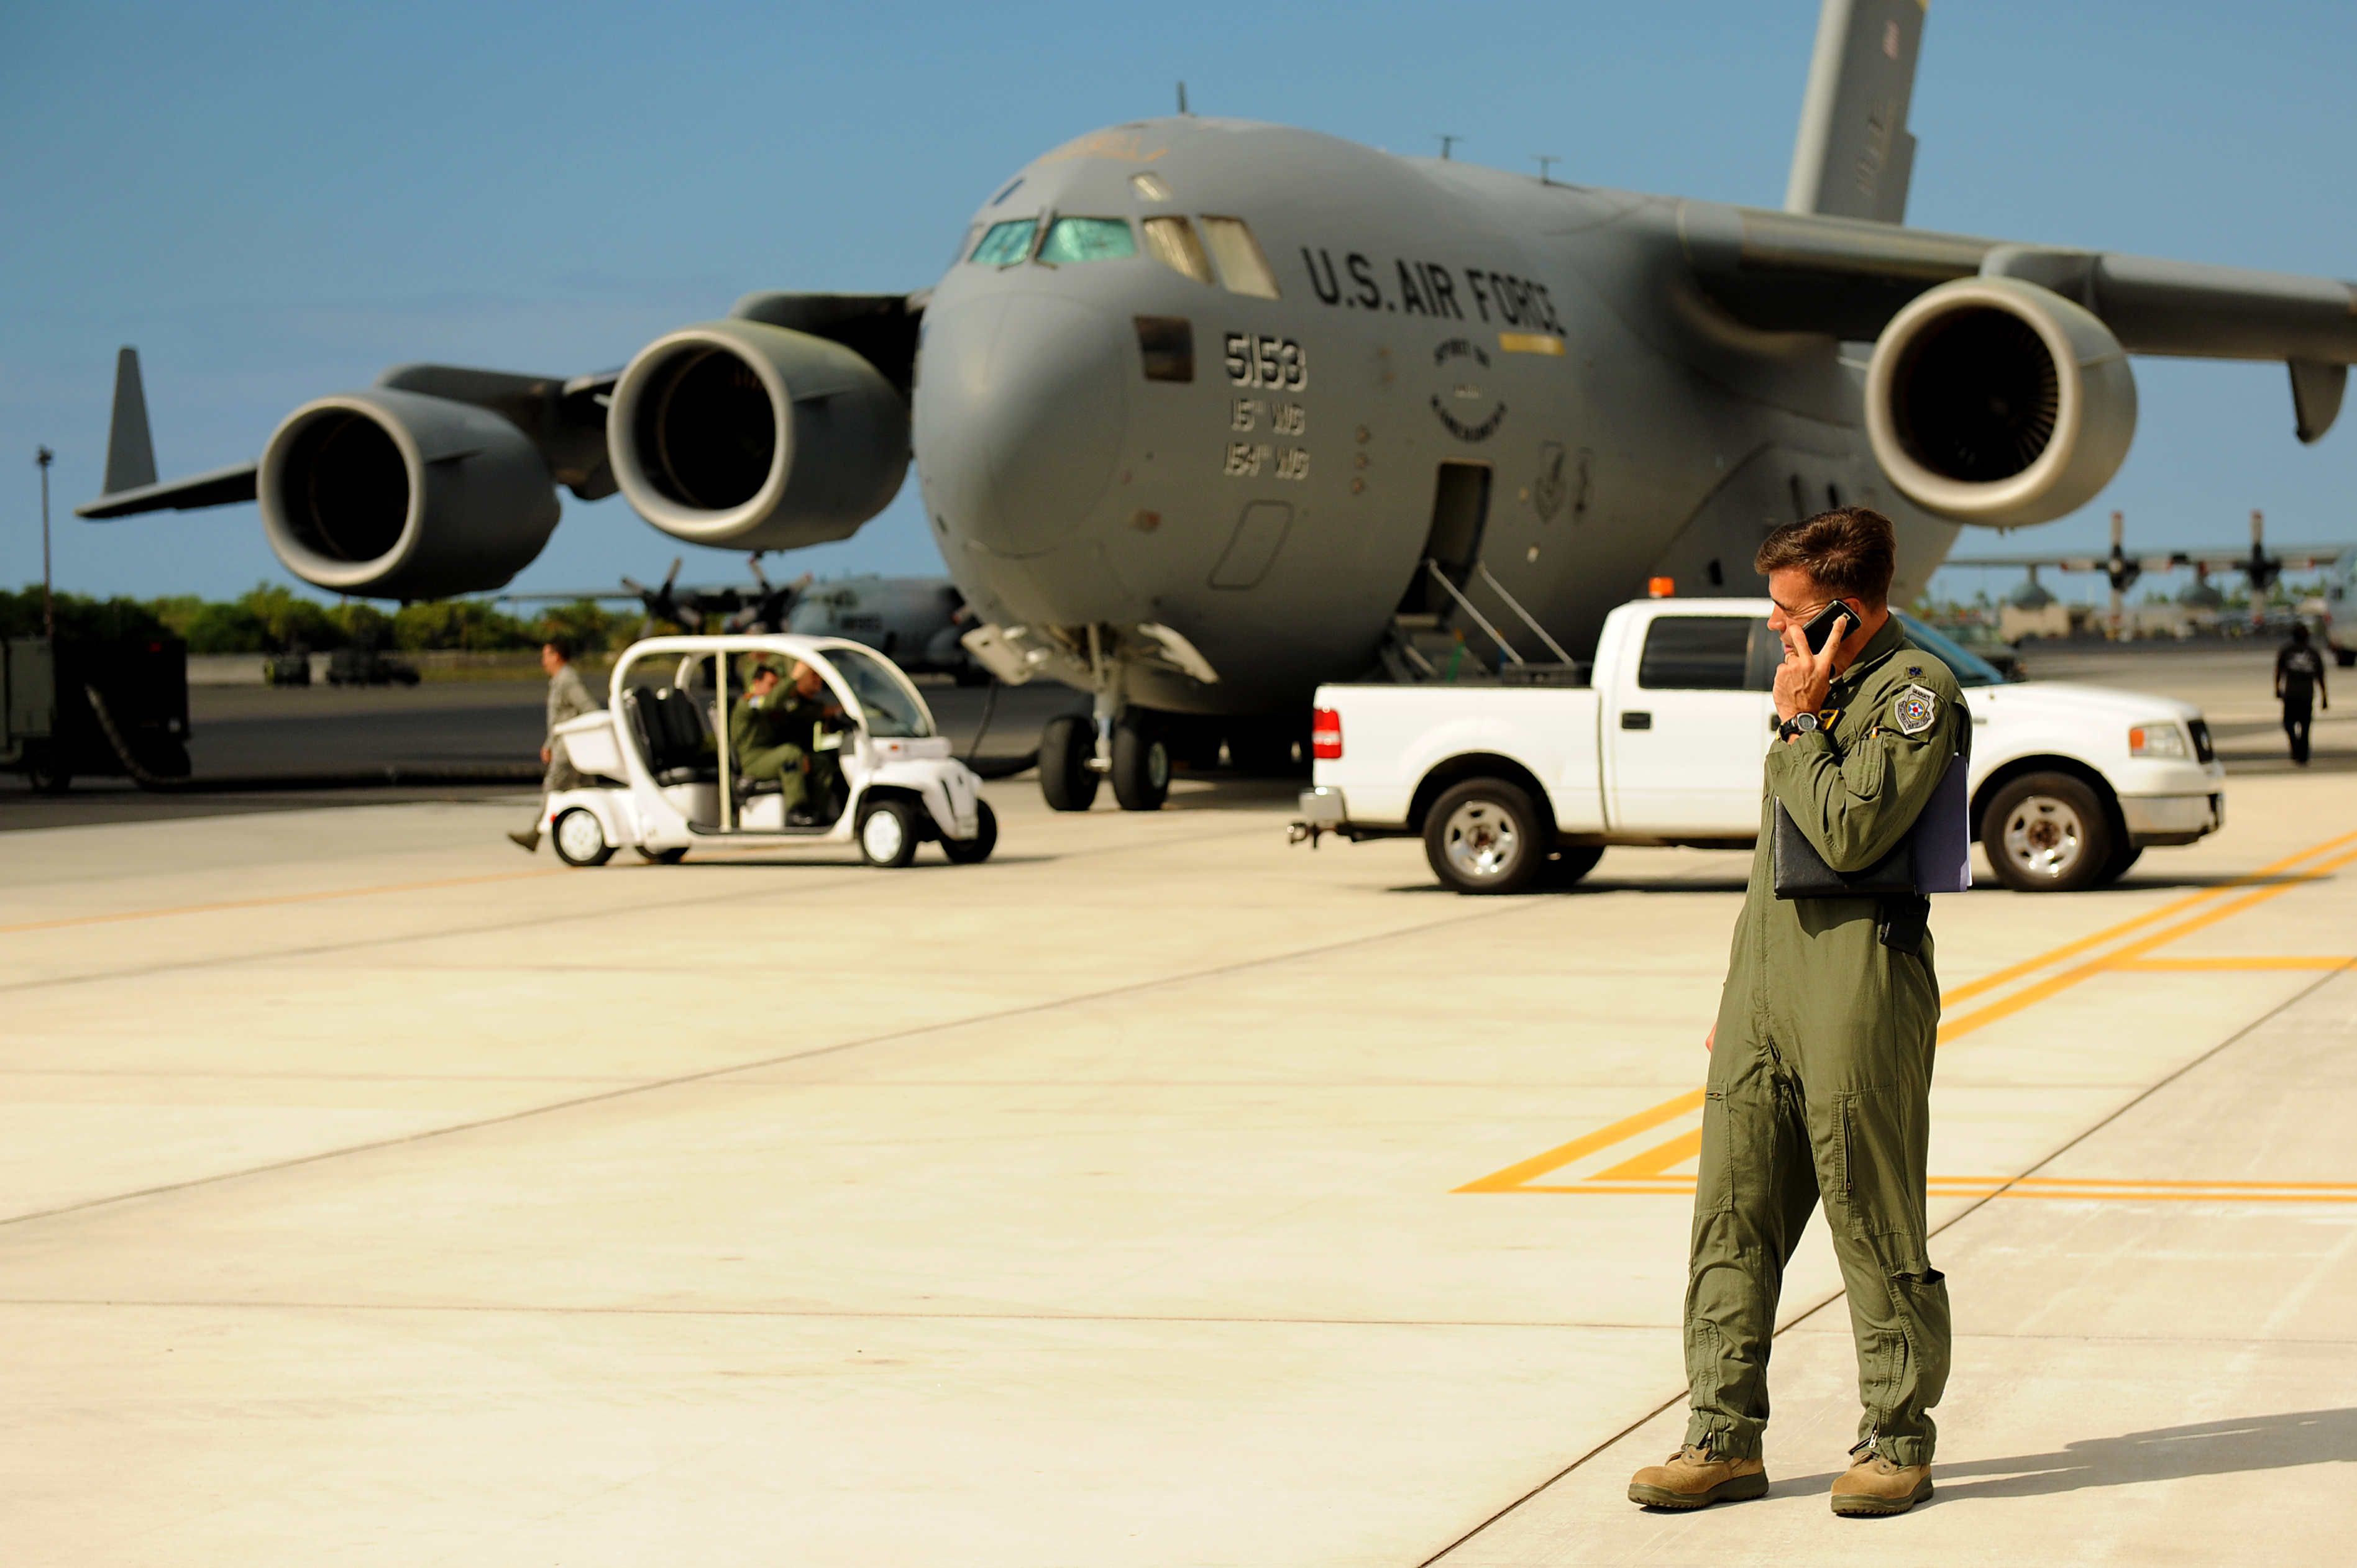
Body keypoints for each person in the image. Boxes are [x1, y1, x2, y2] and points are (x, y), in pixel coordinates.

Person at [1627, 508, 1963, 1519]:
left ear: (1845, 617)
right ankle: (1720, 1434)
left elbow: (1852, 830)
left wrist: (1799, 725)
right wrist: (1742, 996)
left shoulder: (1915, 696)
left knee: (1869, 1211)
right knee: (1729, 1212)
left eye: (1789, 613)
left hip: (1859, 982)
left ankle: (1895, 1436)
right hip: (1767, 989)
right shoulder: (1808, 699)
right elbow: (1771, 868)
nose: (1774, 630)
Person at [509, 637, 600, 852]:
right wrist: (550, 743)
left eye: (546, 656)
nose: (543, 661)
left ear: (556, 656)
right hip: (567, 746)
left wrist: (576, 735)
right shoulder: (561, 680)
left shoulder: (568, 680)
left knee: (553, 788)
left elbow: (589, 708)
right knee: (588, 789)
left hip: (568, 749)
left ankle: (535, 833)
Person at [729, 660, 838, 819]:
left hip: (773, 757)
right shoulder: (749, 703)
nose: (775, 691)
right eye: (771, 685)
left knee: (821, 762)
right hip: (753, 761)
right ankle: (796, 810)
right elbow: (769, 702)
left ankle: (818, 812)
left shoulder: (774, 709)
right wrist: (794, 677)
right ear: (756, 683)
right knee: (790, 755)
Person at [2275, 623, 2329, 766]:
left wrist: (2277, 688)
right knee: (2302, 726)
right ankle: (2300, 751)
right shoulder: (2310, 652)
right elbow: (2320, 677)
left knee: (2293, 725)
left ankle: (2300, 752)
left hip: (2297, 695)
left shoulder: (2291, 651)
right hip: (2301, 695)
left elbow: (2278, 671)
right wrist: (2324, 697)